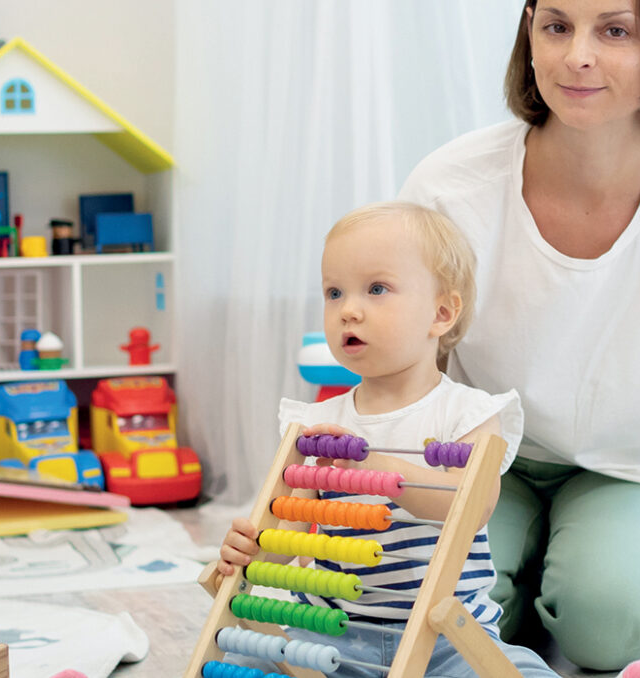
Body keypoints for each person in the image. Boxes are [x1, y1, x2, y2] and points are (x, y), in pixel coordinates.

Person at [395, 0, 640, 669]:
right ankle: (535, 568)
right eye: (557, 26)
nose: (576, 55)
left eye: (614, 31)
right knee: (431, 612)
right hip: (487, 456)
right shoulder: (448, 187)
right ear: (530, 33)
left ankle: (586, 567)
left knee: (601, 628)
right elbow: (404, 367)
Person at [209, 202, 557, 677]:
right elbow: (289, 534)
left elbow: (471, 506)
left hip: (443, 638)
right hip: (329, 634)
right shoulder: (317, 424)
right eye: (334, 292)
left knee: (514, 670)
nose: (349, 310)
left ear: (441, 313)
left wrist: (377, 471)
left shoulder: (468, 414)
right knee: (246, 657)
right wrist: (255, 550)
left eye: (376, 289)